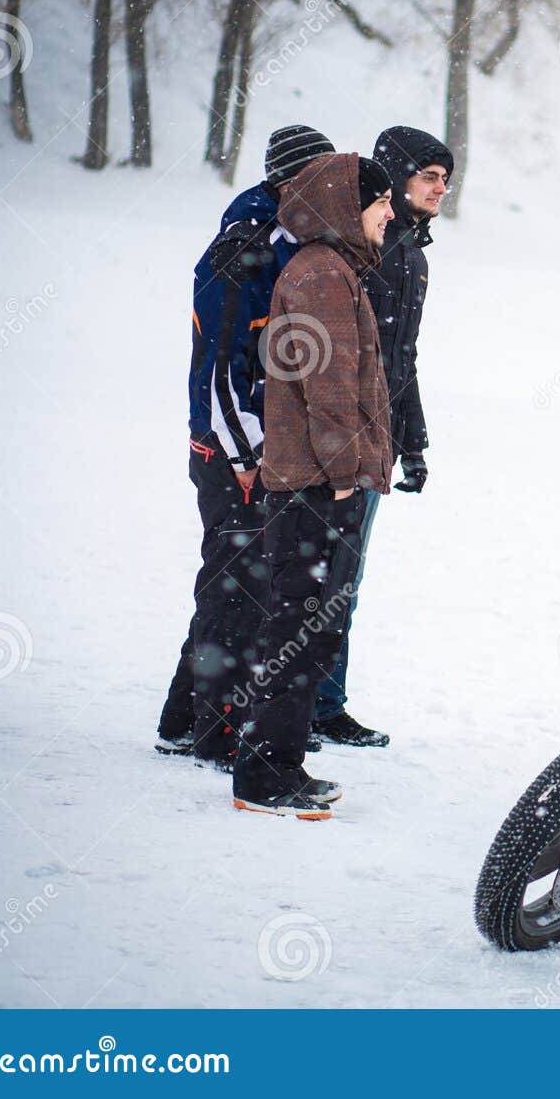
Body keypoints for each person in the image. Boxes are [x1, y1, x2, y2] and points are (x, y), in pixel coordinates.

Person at [156, 125, 335, 769]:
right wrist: (244, 457)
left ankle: (182, 720)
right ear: (290, 181)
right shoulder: (246, 249)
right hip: (231, 453)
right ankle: (219, 732)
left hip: (261, 449)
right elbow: (221, 370)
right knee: (239, 593)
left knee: (230, 586)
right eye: (321, 179)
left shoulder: (295, 243)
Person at [232, 152, 396, 818]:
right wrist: (344, 477)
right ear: (341, 207)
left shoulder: (327, 269)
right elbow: (328, 391)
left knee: (301, 631)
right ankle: (268, 777)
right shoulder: (325, 276)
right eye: (379, 201)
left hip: (310, 484)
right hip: (315, 490)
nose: (389, 212)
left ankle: (271, 766)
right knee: (301, 633)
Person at [307, 126, 453, 747]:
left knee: (339, 578)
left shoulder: (410, 255)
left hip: (373, 440)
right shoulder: (371, 248)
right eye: (429, 175)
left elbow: (402, 359)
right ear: (395, 176)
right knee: (321, 579)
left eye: (447, 178)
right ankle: (305, 705)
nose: (441, 188)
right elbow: (348, 357)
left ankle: (321, 702)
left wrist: (411, 442)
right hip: (341, 442)